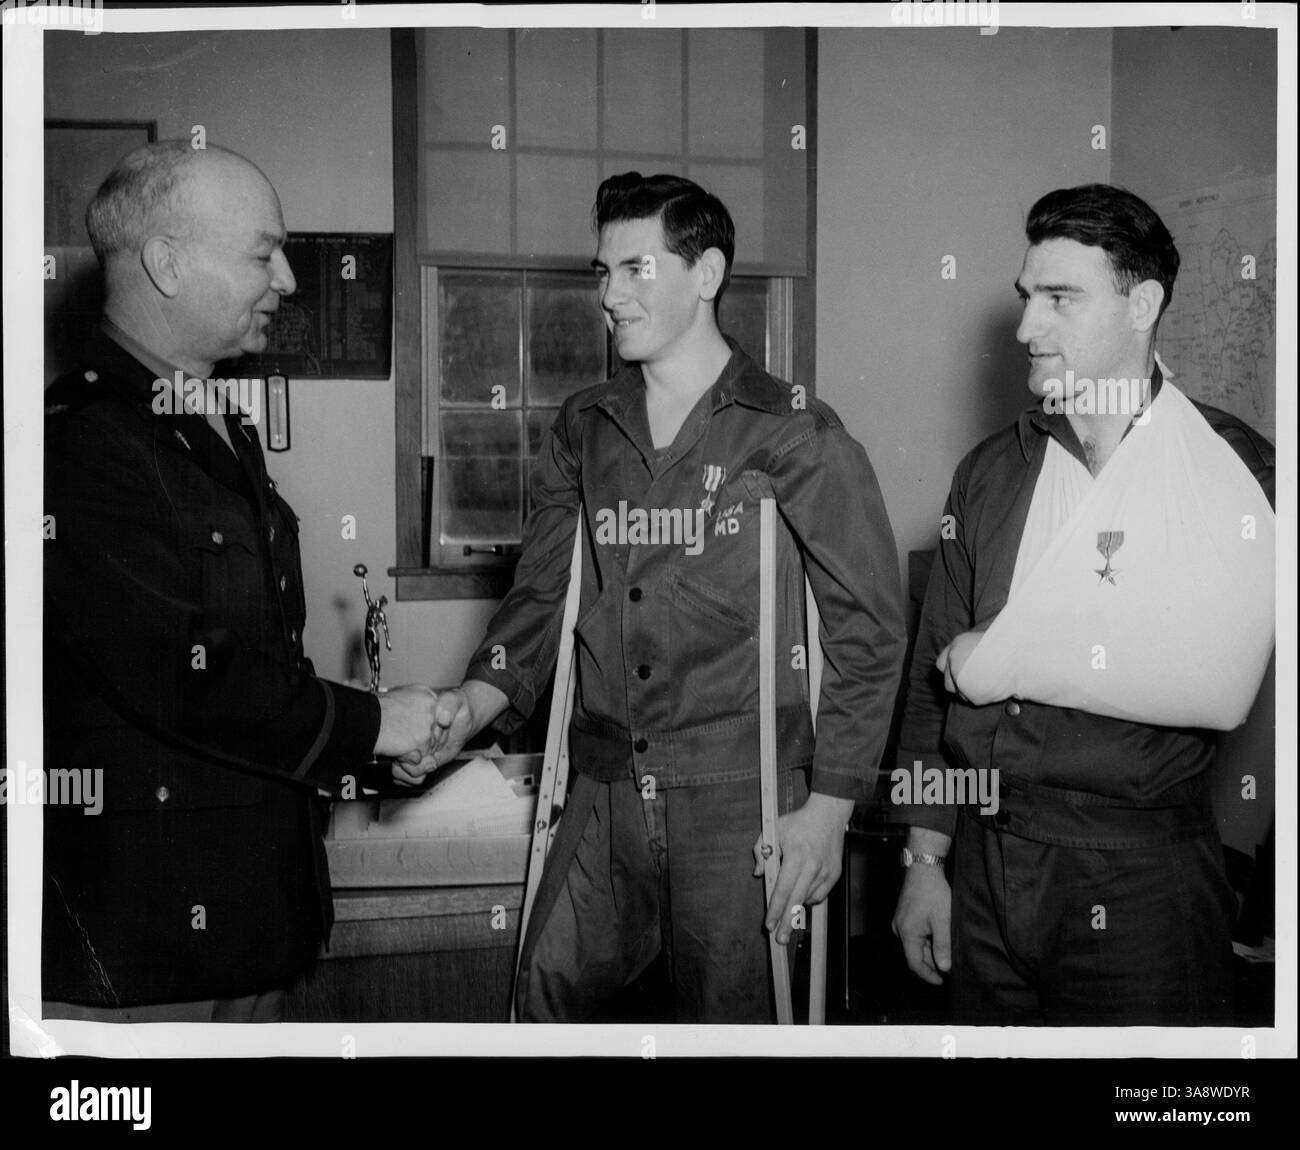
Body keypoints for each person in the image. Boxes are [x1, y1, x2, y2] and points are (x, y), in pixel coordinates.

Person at [414, 172, 907, 1022]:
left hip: (737, 792)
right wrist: (470, 701)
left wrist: (828, 812)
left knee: (732, 1030)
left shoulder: (794, 431)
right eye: (603, 272)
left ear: (707, 274)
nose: (610, 295)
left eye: (636, 269)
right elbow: (540, 596)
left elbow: (869, 633)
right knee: (543, 1002)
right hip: (603, 781)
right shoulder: (586, 425)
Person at [42, 141, 450, 1022]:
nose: (290, 283)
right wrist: (376, 723)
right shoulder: (83, 444)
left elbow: (259, 655)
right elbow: (181, 671)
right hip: (155, 949)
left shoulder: (208, 418)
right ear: (167, 262)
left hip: (253, 916)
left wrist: (374, 744)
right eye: (263, 254)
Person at [890, 184, 1275, 1025]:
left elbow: (1223, 672)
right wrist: (926, 857)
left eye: (1061, 299)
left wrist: (1010, 646)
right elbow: (932, 683)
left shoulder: (1235, 471)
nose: (1028, 327)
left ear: (1142, 305)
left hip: (1136, 870)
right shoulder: (991, 473)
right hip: (986, 862)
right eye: (1028, 298)